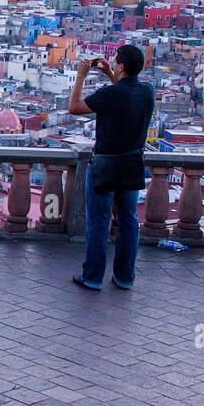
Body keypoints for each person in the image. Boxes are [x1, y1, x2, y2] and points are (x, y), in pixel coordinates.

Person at [67, 44, 154, 291]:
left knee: (99, 222)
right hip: (132, 163)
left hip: (105, 165)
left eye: (116, 62)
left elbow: (74, 107)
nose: (114, 63)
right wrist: (110, 74)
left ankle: (93, 277)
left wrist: (81, 76)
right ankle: (125, 277)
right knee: (128, 221)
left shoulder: (109, 94)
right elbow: (126, 93)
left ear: (122, 66)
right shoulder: (148, 91)